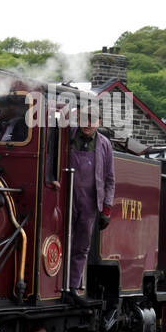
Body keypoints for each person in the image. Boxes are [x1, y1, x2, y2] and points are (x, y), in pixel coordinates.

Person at [65, 110, 115, 303]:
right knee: (63, 241)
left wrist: (107, 208)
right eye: (84, 119)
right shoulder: (67, 136)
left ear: (99, 122)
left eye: (92, 120)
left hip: (90, 201)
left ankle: (73, 286)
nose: (88, 123)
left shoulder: (105, 144)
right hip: (67, 195)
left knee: (82, 245)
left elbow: (110, 179)